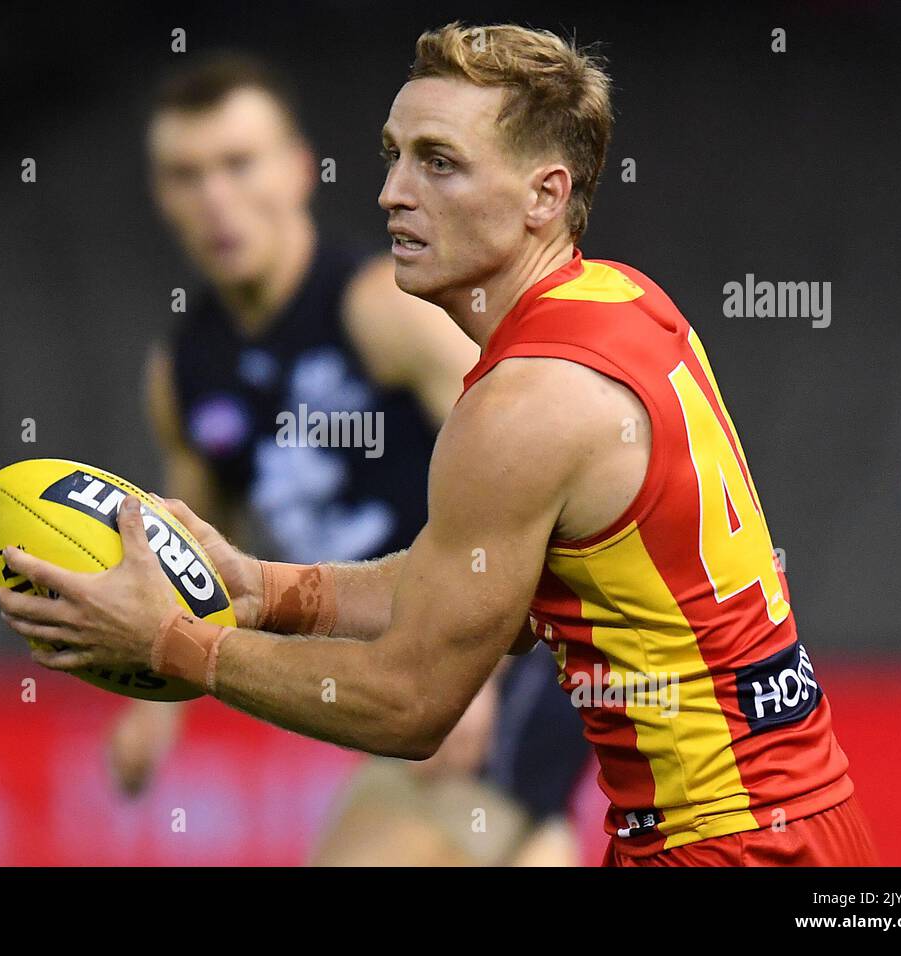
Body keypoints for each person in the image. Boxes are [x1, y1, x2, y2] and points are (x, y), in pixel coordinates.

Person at [0, 22, 876, 866]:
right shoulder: (623, 300)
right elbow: (472, 573)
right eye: (395, 155)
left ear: (547, 195)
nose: (391, 192)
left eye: (440, 163)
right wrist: (260, 587)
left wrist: (172, 646)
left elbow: (411, 703)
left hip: (727, 843)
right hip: (780, 814)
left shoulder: (519, 399)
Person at [111, 53, 586, 865]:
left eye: (237, 163)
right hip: (402, 672)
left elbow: (542, 463)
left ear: (298, 170)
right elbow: (193, 531)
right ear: (162, 196)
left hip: (512, 662)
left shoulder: (382, 309)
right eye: (187, 174)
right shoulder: (185, 371)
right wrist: (153, 708)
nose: (216, 198)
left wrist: (475, 673)